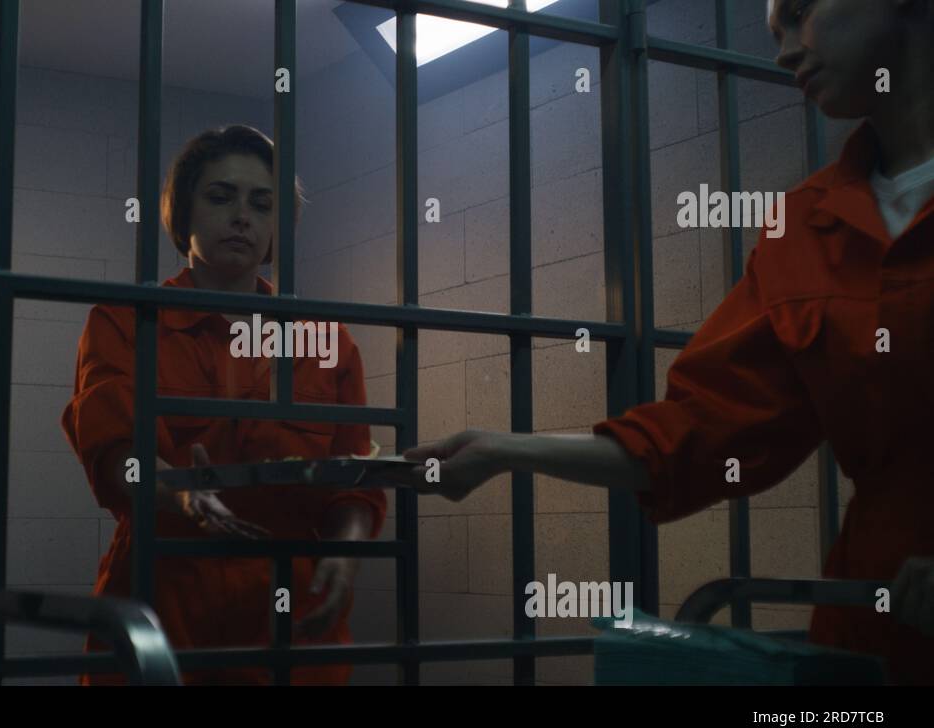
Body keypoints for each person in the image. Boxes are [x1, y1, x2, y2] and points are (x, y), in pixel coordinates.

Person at [399, 0, 934, 685]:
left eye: (800, 12)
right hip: (873, 627)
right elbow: (696, 431)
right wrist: (501, 449)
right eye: (772, 31)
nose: (783, 51)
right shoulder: (807, 228)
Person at [61, 125, 386, 685]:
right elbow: (112, 448)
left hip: (290, 603)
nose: (243, 216)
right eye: (221, 196)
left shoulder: (325, 339)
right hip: (165, 589)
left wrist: (345, 554)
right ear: (182, 211)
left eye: (263, 204)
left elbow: (355, 477)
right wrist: (179, 495)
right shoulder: (126, 321)